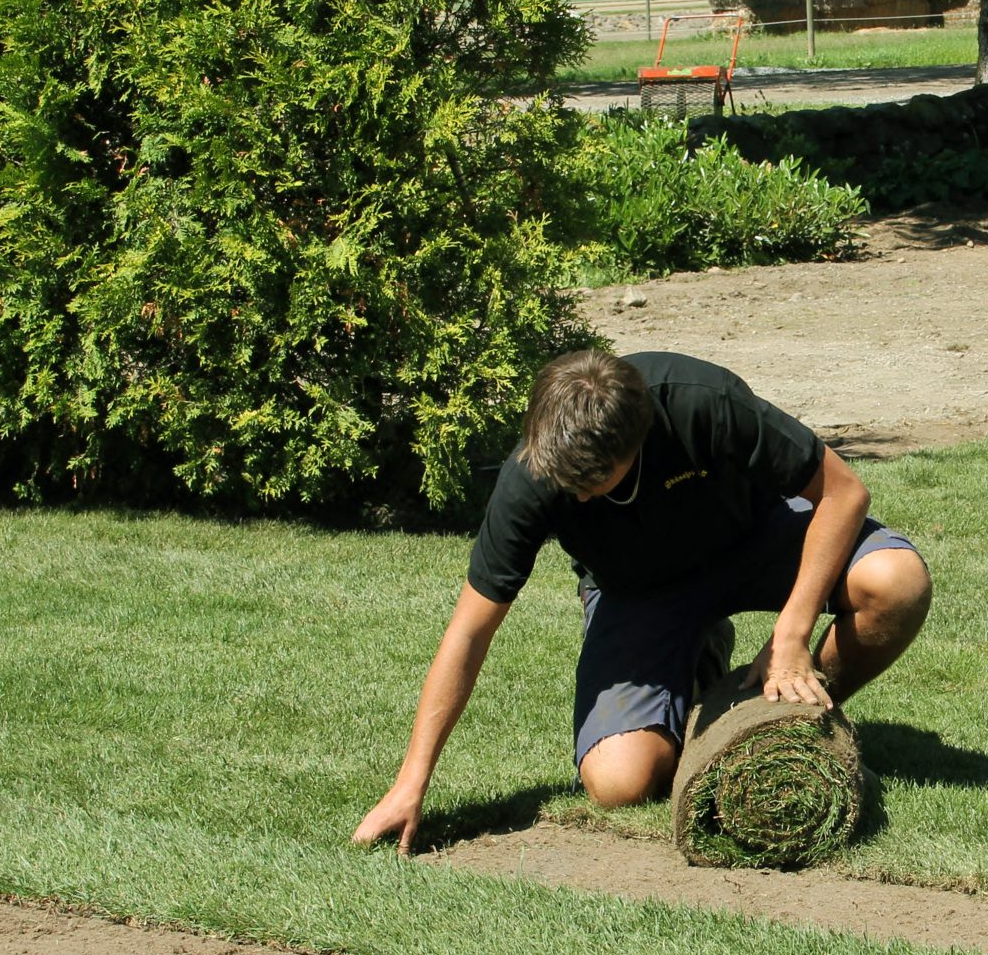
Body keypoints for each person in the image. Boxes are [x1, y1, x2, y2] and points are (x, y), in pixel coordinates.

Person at [351, 348, 932, 854]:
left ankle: (786, 721)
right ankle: (708, 680)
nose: (575, 494)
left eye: (591, 482)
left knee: (896, 582)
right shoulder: (533, 477)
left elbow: (844, 491)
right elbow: (468, 634)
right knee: (618, 783)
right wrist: (411, 784)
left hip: (758, 542)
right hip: (638, 592)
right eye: (565, 482)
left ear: (638, 442)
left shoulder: (699, 399)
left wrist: (791, 633)